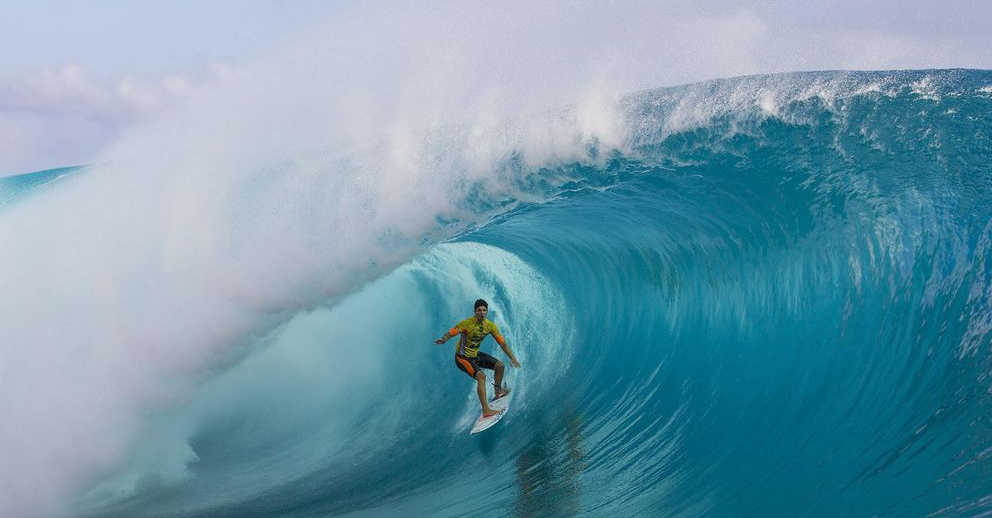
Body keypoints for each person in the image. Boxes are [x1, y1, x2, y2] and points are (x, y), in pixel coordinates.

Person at [435, 299, 521, 417]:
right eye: (479, 310)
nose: (482, 313)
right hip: (462, 358)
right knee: (481, 376)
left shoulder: (490, 326)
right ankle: (486, 410)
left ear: (487, 311)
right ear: (475, 311)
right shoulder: (467, 323)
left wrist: (513, 358)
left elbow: (502, 344)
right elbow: (451, 332)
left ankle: (498, 391)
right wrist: (444, 339)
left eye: (484, 310)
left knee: (500, 366)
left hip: (475, 355)